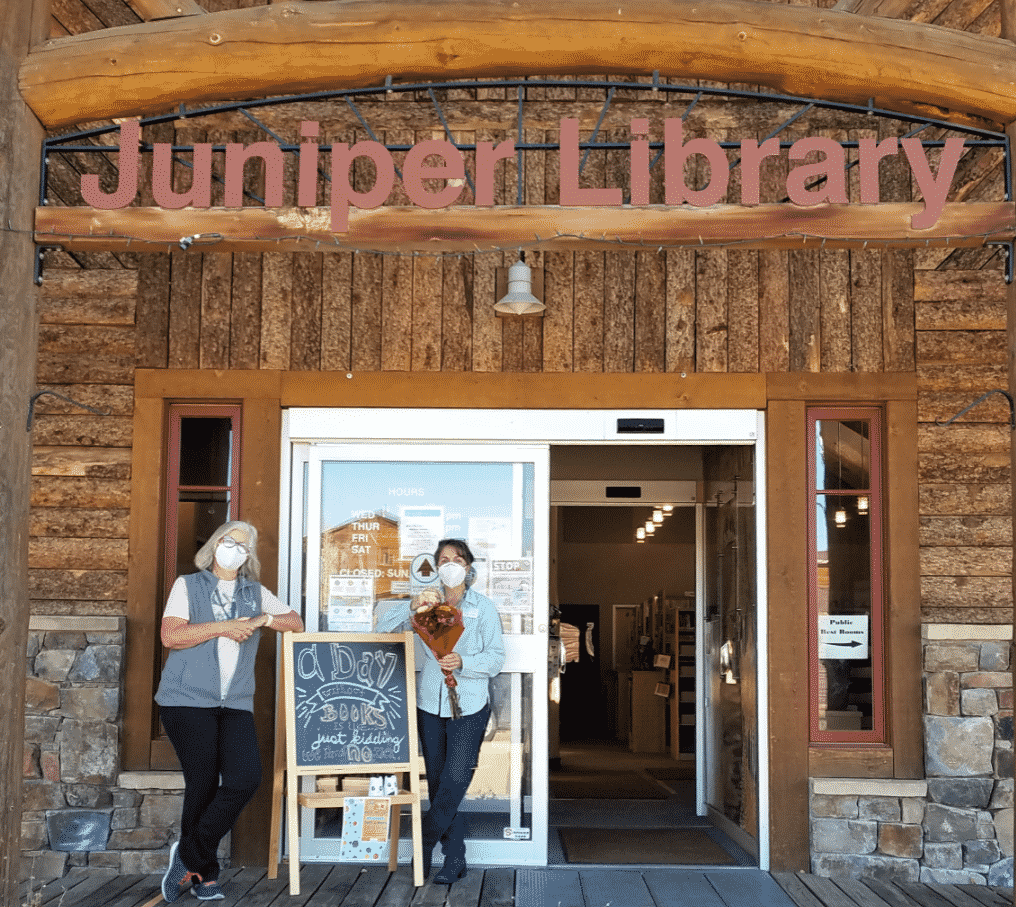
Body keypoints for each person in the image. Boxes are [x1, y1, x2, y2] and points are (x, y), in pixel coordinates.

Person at [156, 520, 303, 902]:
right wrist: (222, 627)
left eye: (243, 544)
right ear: (215, 544)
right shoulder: (188, 585)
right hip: (187, 701)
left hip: (234, 703)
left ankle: (188, 854)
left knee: (245, 778)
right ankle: (205, 875)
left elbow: (296, 623)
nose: (234, 547)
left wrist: (264, 619)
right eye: (228, 539)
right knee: (202, 785)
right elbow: (172, 635)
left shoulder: (255, 592)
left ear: (249, 554)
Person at [376, 538, 505, 885]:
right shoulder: (425, 605)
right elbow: (380, 627)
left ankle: (424, 844)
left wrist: (465, 661)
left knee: (455, 779)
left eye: (457, 559)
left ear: (468, 566)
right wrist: (410, 608)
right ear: (435, 566)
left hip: (469, 703)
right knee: (436, 782)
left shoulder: (484, 607)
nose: (450, 564)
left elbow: (496, 658)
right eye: (444, 559)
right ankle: (455, 857)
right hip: (429, 702)